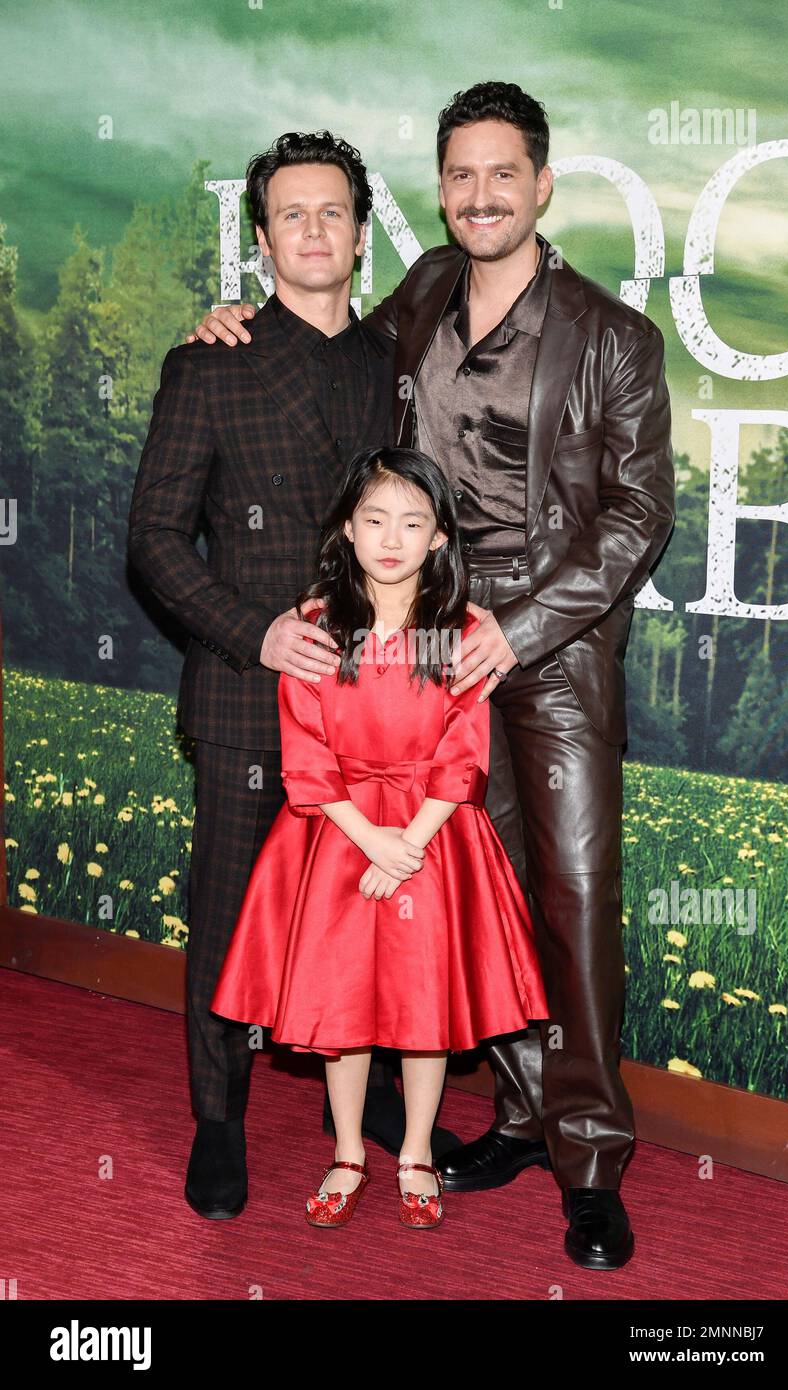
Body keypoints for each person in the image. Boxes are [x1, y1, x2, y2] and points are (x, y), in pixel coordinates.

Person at [190, 80, 676, 1269]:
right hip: (417, 655)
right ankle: (516, 1113)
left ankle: (591, 1154)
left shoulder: (612, 336)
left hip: (546, 653)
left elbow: (638, 515)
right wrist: (229, 317)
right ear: (441, 194)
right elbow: (321, 326)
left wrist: (524, 625)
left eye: (501, 173)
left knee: (569, 899)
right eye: (458, 176)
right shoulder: (415, 299)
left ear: (542, 183)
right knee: (472, 895)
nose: (478, 195)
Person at [128, 130, 460, 1229]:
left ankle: (357, 1121)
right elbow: (155, 542)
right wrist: (254, 634)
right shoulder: (209, 359)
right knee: (229, 915)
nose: (313, 231)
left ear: (362, 236)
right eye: (291, 214)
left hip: (378, 719)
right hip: (244, 699)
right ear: (262, 236)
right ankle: (216, 1119)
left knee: (372, 910)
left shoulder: (391, 365)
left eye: (333, 213)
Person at [209, 445, 549, 1228]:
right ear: (347, 531)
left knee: (424, 1009)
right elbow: (306, 757)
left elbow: (464, 755)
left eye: (412, 522)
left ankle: (421, 1150)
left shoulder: (458, 631)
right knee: (344, 1009)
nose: (391, 538)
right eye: (374, 520)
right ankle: (351, 1151)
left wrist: (410, 845)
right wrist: (370, 840)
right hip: (337, 838)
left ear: (438, 537)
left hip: (436, 840)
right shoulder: (317, 628)